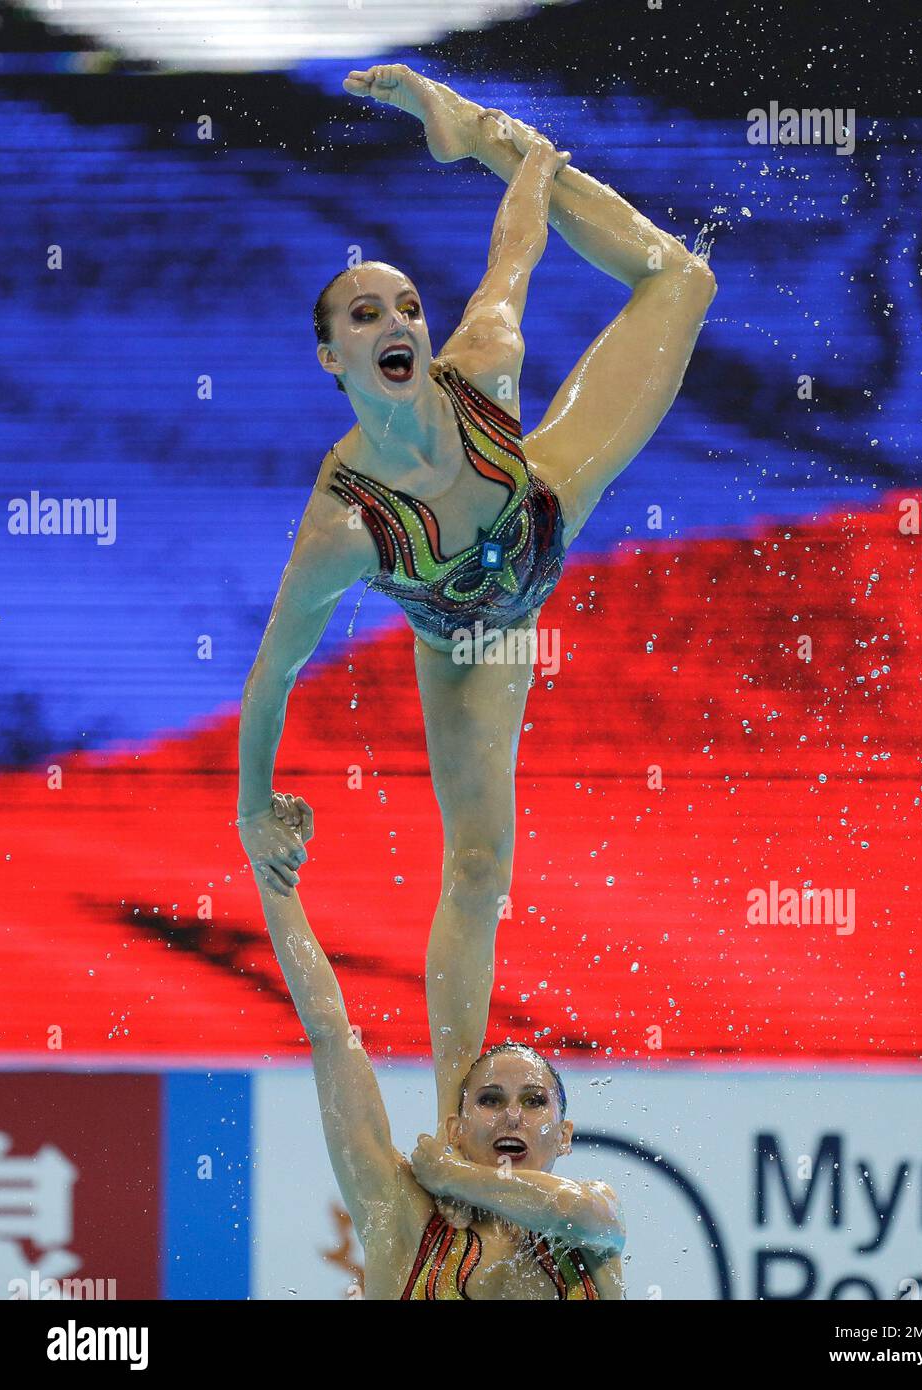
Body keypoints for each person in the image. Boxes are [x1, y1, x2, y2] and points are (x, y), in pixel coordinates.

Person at [238, 65, 716, 1124]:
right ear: (332, 358)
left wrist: (516, 150)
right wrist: (252, 805)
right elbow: (274, 669)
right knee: (481, 860)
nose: (397, 318)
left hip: (551, 496)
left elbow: (517, 248)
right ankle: (463, 1123)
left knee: (682, 280)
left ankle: (470, 127)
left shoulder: (485, 359)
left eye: (407, 303)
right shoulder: (344, 527)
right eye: (367, 313)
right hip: (472, 641)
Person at [255, 791, 625, 1300]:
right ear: (455, 1125)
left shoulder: (593, 1235)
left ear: (564, 1136)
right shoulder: (405, 1226)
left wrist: (451, 1173)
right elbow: (328, 1031)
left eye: (534, 1101)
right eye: (490, 1100)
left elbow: (574, 1211)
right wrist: (271, 869)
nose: (512, 1116)